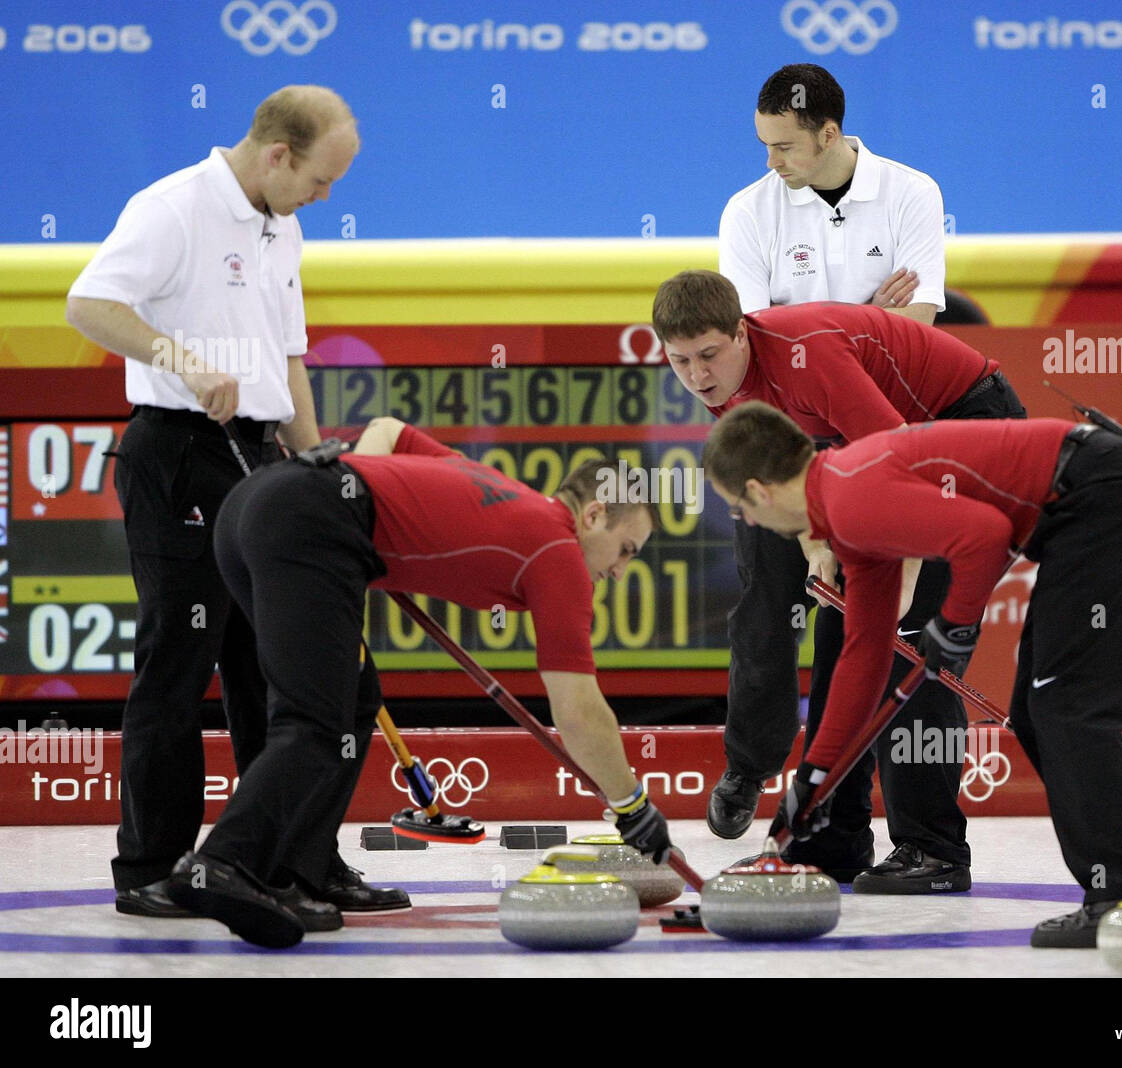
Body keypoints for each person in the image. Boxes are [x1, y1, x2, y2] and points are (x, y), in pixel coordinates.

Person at [700, 401, 1122, 945]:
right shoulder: (844, 502)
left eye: (739, 510)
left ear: (759, 492)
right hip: (1091, 496)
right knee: (1040, 710)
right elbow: (865, 655)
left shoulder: (851, 495)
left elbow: (984, 532)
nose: (751, 524)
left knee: (1066, 708)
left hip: (1100, 494)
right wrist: (815, 777)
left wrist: (954, 624)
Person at [64, 86, 402, 920]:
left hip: (262, 458)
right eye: (321, 180)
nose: (327, 199)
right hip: (179, 453)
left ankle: (288, 860)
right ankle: (151, 866)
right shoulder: (173, 207)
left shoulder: (282, 223)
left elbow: (289, 355)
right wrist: (179, 357)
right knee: (178, 665)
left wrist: (315, 459)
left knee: (286, 670)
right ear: (279, 153)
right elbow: (88, 303)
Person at [166, 418, 674, 947]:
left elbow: (387, 430)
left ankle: (296, 872)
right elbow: (579, 711)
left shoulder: (500, 488)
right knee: (317, 717)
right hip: (308, 522)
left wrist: (359, 492)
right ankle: (222, 863)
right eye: (626, 550)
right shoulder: (558, 554)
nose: (619, 572)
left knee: (351, 700)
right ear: (593, 515)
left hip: (258, 502)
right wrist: (631, 805)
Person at [652, 269, 1025, 889]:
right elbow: (796, 469)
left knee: (912, 649)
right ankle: (830, 842)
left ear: (743, 333)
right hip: (890, 454)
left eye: (708, 355)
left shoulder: (808, 355)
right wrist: (817, 537)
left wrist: (905, 567)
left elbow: (903, 458)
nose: (696, 375)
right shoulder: (723, 384)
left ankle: (934, 851)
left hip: (965, 431)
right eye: (679, 360)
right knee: (843, 645)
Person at [719, 63, 946, 324]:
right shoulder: (746, 211)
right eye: (766, 146)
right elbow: (751, 339)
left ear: (828, 135)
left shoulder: (914, 193)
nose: (772, 162)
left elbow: (916, 325)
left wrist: (789, 322)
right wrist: (872, 315)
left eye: (785, 147)